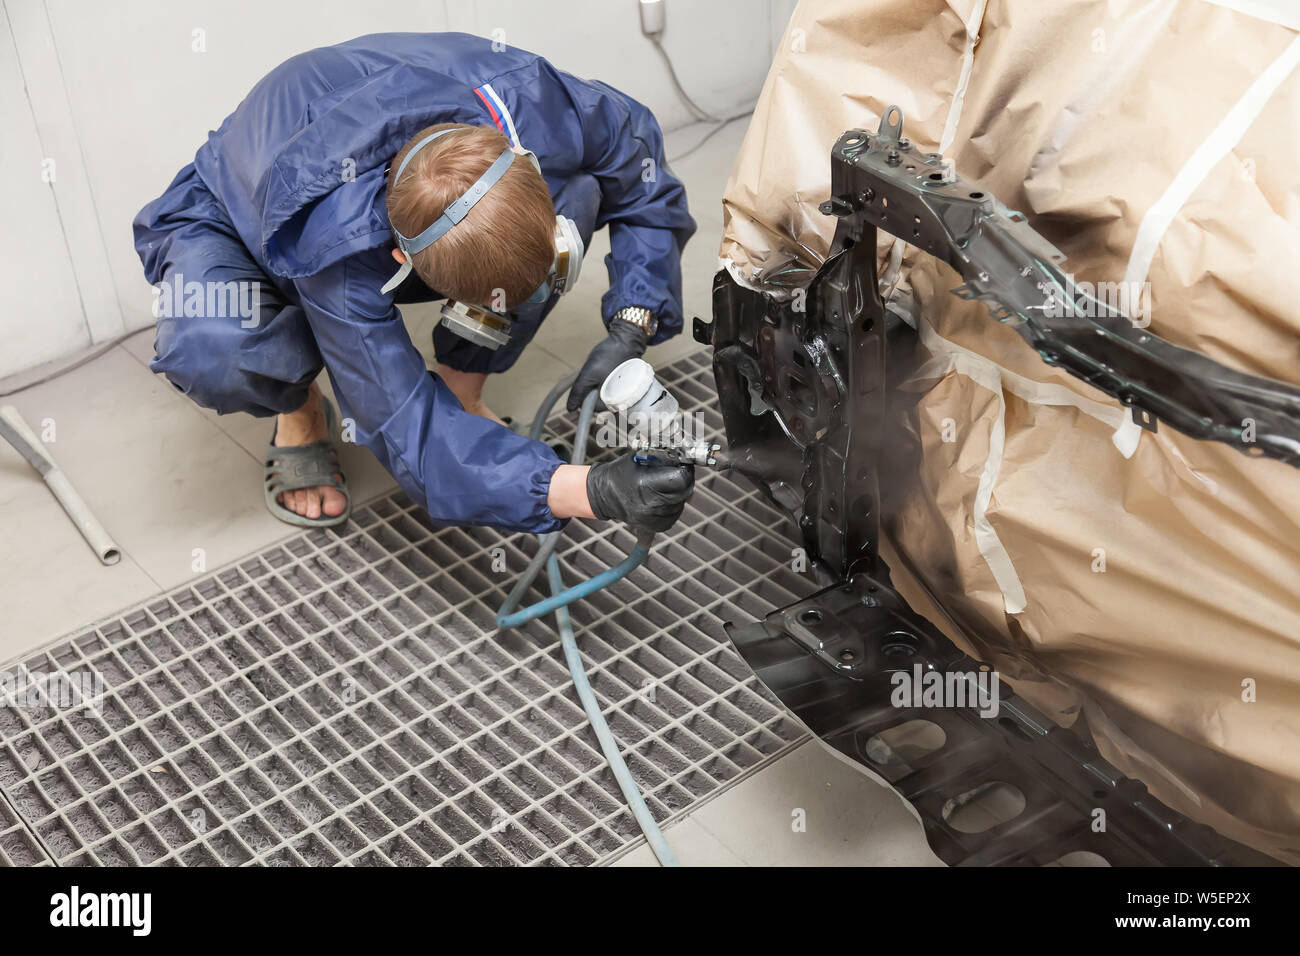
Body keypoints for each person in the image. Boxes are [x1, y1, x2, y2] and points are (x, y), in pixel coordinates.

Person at [134, 32, 696, 535]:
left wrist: (633, 319)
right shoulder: (340, 254)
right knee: (215, 349)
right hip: (239, 212)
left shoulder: (533, 104)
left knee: (580, 187)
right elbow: (404, 425)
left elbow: (638, 165)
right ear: (401, 259)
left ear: (522, 159)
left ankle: (461, 388)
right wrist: (588, 491)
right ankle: (300, 410)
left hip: (382, 155)